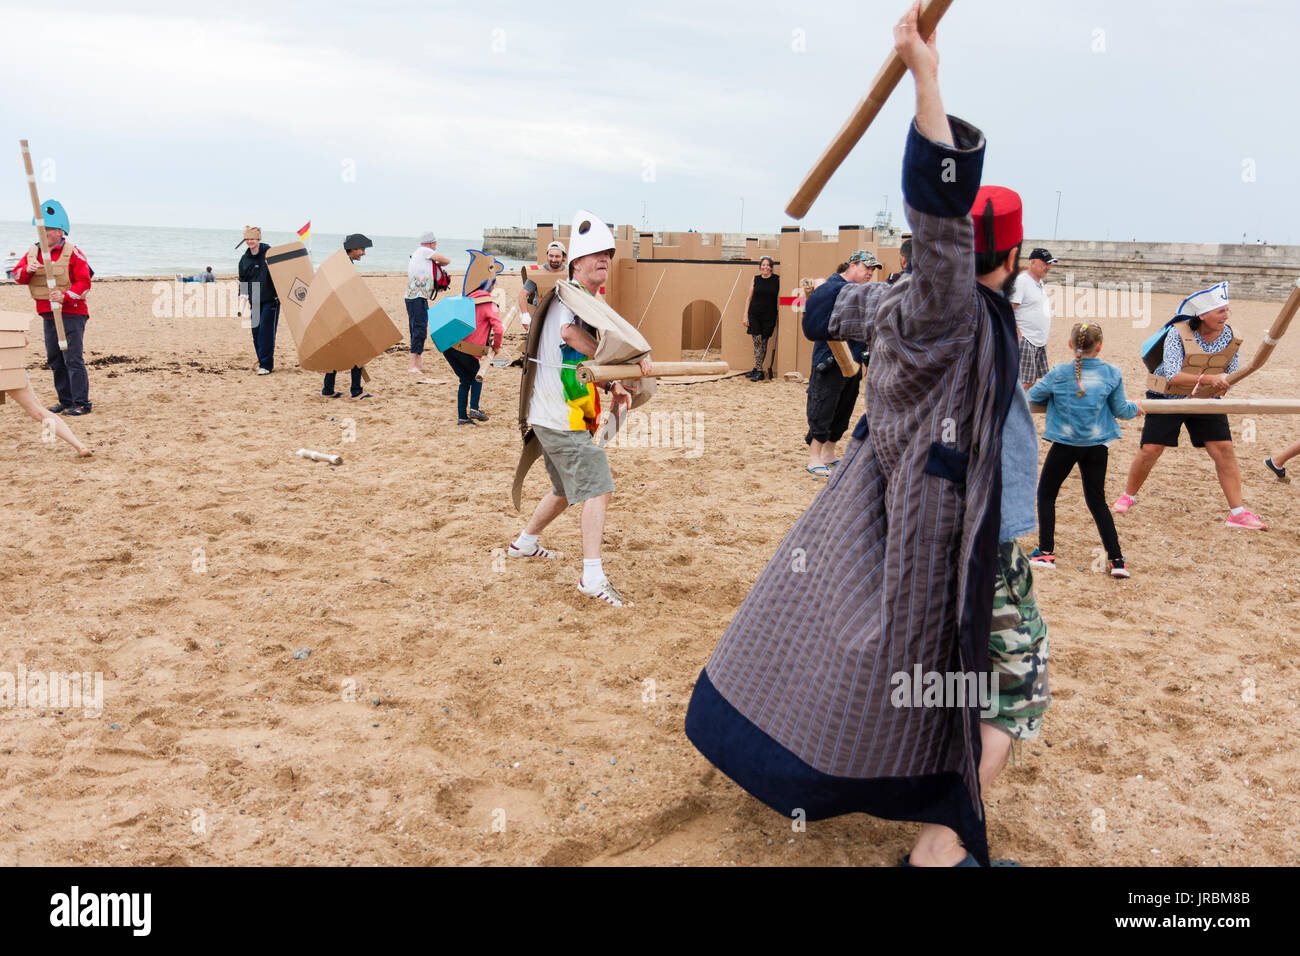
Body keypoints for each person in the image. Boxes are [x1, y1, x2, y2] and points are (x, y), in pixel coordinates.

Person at [685, 3, 1046, 868]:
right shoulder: (947, 307)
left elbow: (837, 304)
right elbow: (938, 219)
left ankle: (940, 826)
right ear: (1008, 251)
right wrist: (925, 80)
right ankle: (942, 847)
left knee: (959, 684)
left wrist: (821, 301)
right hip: (965, 541)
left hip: (943, 522)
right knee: (1011, 693)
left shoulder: (911, 304)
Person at [508, 209, 652, 607]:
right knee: (599, 483)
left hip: (561, 413)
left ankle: (524, 543)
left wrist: (612, 380)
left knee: (563, 488)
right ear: (576, 263)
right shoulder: (569, 297)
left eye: (607, 253)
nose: (603, 259)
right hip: (558, 414)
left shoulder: (587, 300)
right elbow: (571, 336)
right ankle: (592, 576)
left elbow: (571, 357)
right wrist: (616, 367)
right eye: (595, 255)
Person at [1114, 281, 1265, 530]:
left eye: (1227, 310)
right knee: (1151, 449)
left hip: (1205, 399)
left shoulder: (1231, 336)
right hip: (1167, 397)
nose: (1225, 316)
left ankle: (1237, 513)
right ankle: (1128, 496)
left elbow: (1231, 372)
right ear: (1202, 315)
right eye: (1220, 311)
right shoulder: (1178, 332)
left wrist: (1225, 384)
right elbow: (1173, 375)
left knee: (1224, 450)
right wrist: (1209, 378)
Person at [1027, 322, 1143, 578]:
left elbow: (1033, 396)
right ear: (1100, 347)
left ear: (1070, 345)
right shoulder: (1112, 373)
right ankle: (1117, 560)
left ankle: (1046, 552)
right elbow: (1122, 410)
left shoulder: (1059, 373)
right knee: (1097, 501)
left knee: (1047, 494)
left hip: (1065, 444)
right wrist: (1136, 407)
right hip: (1096, 445)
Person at [11, 200, 94, 415]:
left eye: (47, 229)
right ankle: (66, 401)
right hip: (48, 315)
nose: (43, 233)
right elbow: (18, 277)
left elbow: (85, 282)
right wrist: (28, 270)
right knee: (55, 359)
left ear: (59, 231)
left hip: (72, 314)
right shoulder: (33, 253)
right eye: (40, 230)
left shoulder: (73, 252)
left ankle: (81, 403)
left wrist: (65, 296)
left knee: (72, 358)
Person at [801, 250, 877, 477]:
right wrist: (821, 286)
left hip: (853, 358)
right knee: (823, 405)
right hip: (830, 359)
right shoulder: (832, 286)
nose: (870, 273)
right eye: (867, 268)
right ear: (852, 265)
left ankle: (829, 453)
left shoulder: (858, 291)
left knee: (844, 407)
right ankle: (814, 456)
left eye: (873, 270)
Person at [443, 273, 503, 425]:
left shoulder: (465, 300)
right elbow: (499, 329)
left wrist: (485, 340)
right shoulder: (489, 303)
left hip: (448, 346)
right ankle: (474, 408)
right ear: (490, 286)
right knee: (477, 376)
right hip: (466, 349)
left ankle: (462, 418)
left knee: (464, 380)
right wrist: (496, 346)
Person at [322, 234, 374, 400]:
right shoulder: (344, 266)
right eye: (361, 249)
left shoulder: (341, 263)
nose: (363, 253)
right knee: (358, 352)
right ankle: (356, 392)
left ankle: (328, 390)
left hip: (334, 317)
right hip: (343, 317)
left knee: (335, 353)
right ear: (352, 249)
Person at [1010, 248, 1056, 389]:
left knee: (1031, 379)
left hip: (1038, 340)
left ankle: (1018, 409)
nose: (1048, 267)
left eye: (1049, 264)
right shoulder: (1022, 281)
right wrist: (1016, 330)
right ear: (1033, 262)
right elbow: (1009, 308)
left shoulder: (1039, 283)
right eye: (1045, 263)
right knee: (1025, 381)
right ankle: (1012, 409)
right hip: (1026, 338)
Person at [405, 231, 451, 373]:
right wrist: (436, 261)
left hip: (417, 296)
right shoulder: (424, 251)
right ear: (431, 243)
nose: (436, 246)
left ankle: (418, 363)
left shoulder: (420, 253)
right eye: (435, 243)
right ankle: (413, 364)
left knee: (418, 329)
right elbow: (446, 261)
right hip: (416, 297)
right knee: (419, 329)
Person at [237, 226, 278, 375]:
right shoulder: (244, 259)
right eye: (247, 239)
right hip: (254, 297)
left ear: (259, 239)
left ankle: (266, 365)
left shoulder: (270, 253)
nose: (250, 241)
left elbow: (282, 272)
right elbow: (243, 279)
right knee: (255, 331)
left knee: (265, 331)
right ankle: (262, 360)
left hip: (270, 297)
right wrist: (241, 294)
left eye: (253, 238)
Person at [742, 256, 780, 381]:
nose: (765, 267)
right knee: (757, 341)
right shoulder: (755, 279)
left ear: (771, 267)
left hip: (769, 316)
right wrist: (745, 315)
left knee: (763, 343)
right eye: (763, 265)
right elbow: (749, 298)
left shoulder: (777, 279)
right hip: (754, 314)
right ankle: (759, 370)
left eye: (768, 265)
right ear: (760, 266)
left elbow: (783, 296)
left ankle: (757, 368)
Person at [517, 241, 567, 318]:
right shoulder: (537, 273)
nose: (553, 259)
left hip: (562, 314)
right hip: (540, 314)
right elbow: (523, 295)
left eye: (557, 256)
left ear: (564, 257)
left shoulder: (570, 273)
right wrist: (525, 315)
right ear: (547, 256)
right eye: (551, 256)